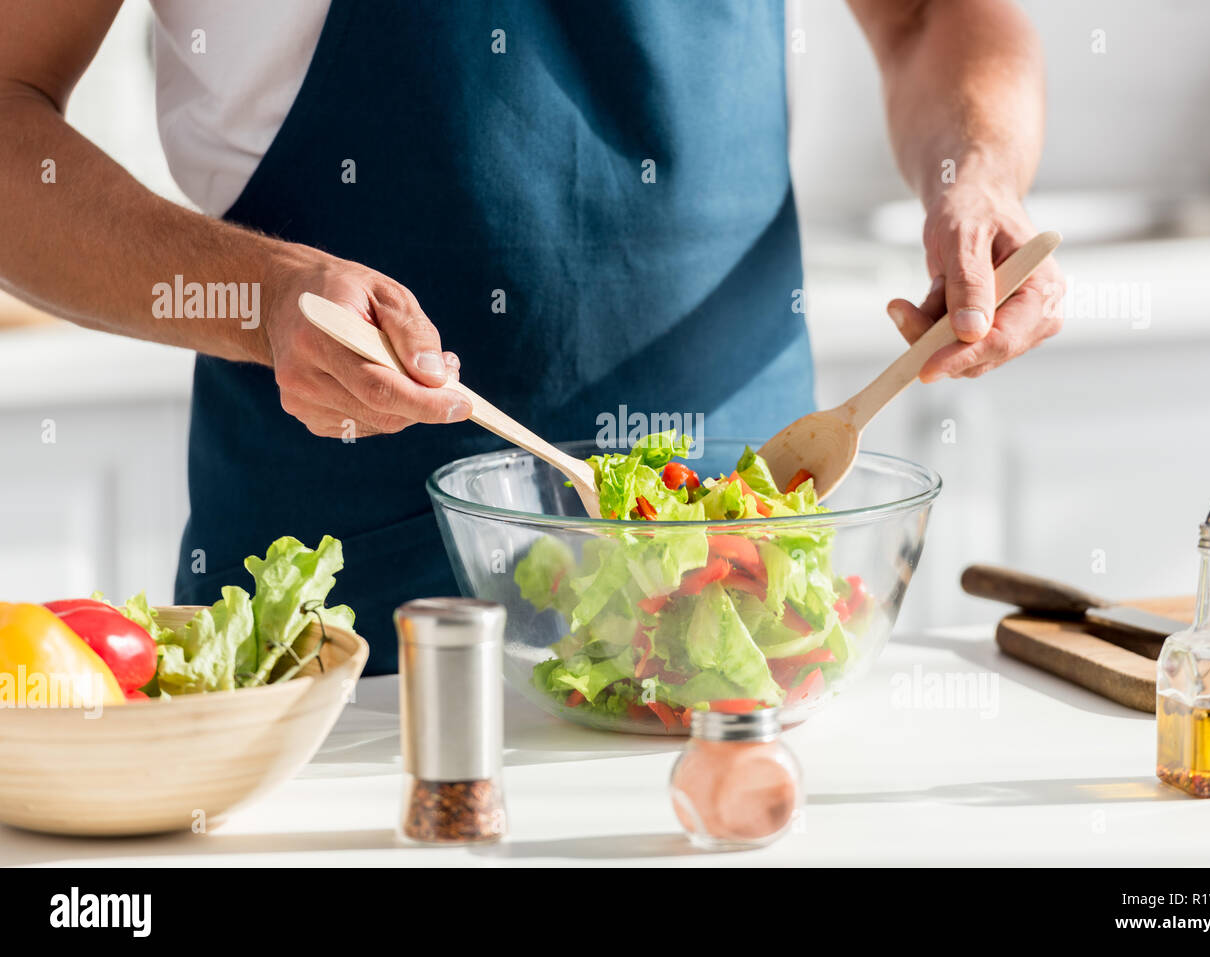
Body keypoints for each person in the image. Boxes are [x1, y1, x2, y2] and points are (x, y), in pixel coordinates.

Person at [0, 0, 1063, 672]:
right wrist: (258, 293)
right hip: (347, 600)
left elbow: (932, 17)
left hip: (748, 576)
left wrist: (974, 171)